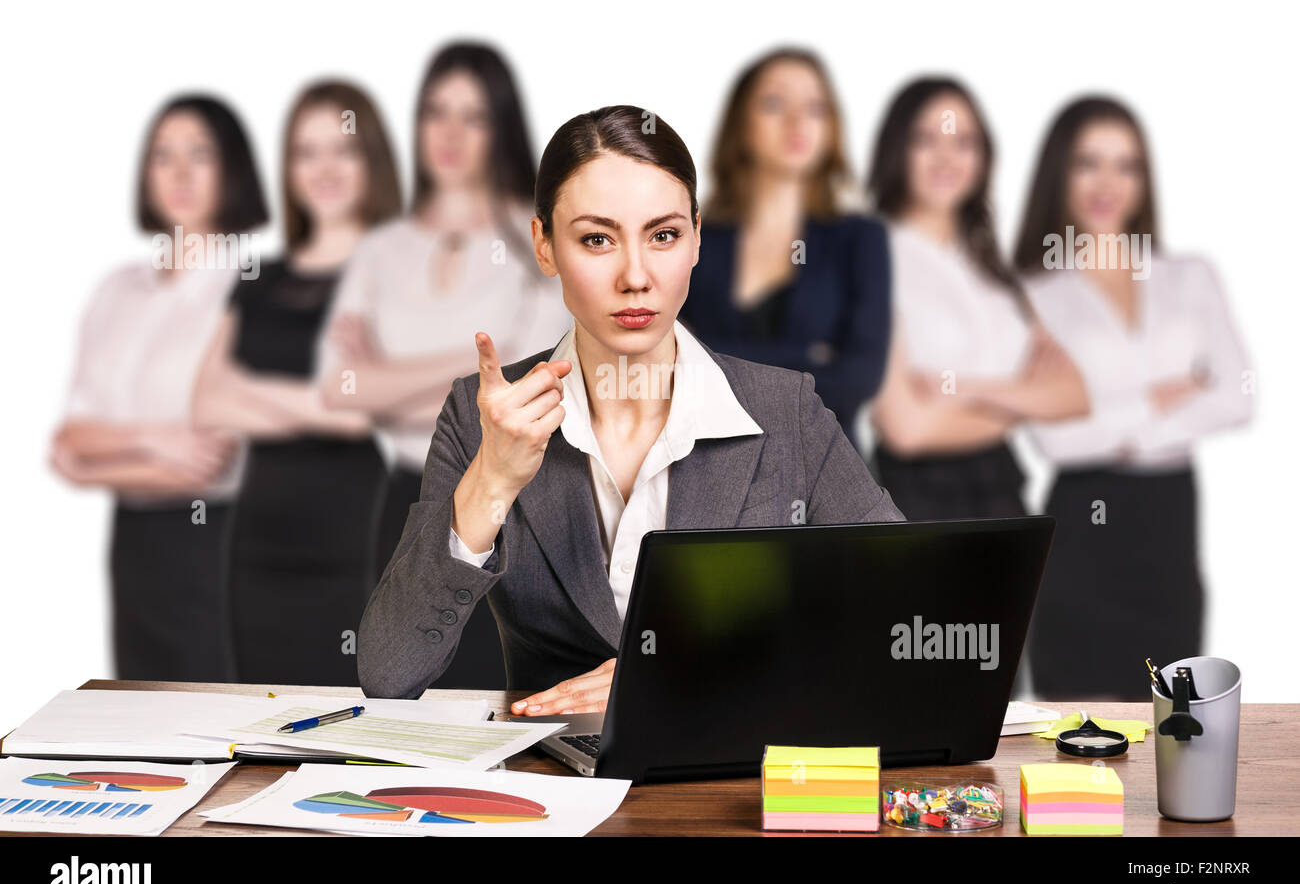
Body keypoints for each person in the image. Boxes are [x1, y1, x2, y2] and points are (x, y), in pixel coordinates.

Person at [358, 104, 903, 711]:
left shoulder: (785, 410)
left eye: (663, 235)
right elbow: (389, 672)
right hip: (555, 781)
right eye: (597, 239)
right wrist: (491, 480)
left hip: (733, 781)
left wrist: (682, 669)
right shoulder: (484, 414)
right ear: (544, 247)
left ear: (696, 238)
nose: (636, 276)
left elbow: (901, 616)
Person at [318, 43, 568, 689]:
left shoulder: (536, 238)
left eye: (474, 116)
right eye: (436, 112)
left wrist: (384, 377)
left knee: (495, 704)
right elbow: (336, 387)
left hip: (505, 499)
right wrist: (466, 375)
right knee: (397, 693)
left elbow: (530, 381)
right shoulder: (381, 247)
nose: (451, 133)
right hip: (401, 498)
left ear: (502, 127)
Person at [1013, 96, 1254, 700]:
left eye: (1127, 165)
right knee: (1077, 733)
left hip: (1169, 523)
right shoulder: (1037, 294)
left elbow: (1236, 398)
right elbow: (1055, 436)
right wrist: (1163, 396)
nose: (1107, 183)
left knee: (1170, 727)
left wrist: (1110, 415)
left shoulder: (1190, 276)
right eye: (1087, 163)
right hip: (1083, 527)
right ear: (1059, 174)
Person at [192, 80, 401, 686]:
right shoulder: (260, 274)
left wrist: (250, 392)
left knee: (351, 727)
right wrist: (321, 400)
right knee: (258, 729)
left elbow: (364, 411)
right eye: (305, 152)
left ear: (373, 161)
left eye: (342, 149)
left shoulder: (395, 267)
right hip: (257, 548)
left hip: (357, 541)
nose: (323, 169)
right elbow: (206, 399)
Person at [50, 95, 266, 681]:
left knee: (216, 723)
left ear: (232, 169)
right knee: (136, 713)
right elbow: (68, 435)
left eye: (199, 154)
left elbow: (213, 464)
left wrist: (91, 465)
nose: (178, 173)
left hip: (212, 543)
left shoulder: (250, 290)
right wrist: (159, 440)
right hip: (133, 546)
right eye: (162, 155)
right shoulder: (117, 290)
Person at [865, 77, 1088, 521]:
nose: (947, 158)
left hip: (1005, 492)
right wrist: (1021, 402)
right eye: (926, 140)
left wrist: (966, 391)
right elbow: (906, 430)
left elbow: (1074, 395)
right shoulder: (874, 253)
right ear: (897, 149)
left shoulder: (990, 266)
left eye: (964, 141)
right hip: (919, 500)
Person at [678, 47, 891, 440]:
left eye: (815, 107)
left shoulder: (860, 238)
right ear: (740, 124)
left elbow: (859, 378)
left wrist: (716, 359)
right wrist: (809, 358)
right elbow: (670, 363)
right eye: (775, 103)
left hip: (828, 471)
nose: (797, 122)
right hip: (712, 466)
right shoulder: (694, 236)